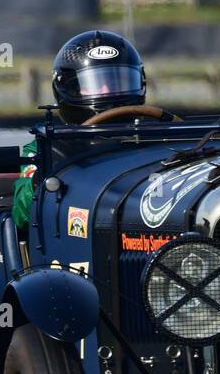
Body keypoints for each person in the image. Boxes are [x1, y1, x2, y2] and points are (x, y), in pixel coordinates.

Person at [12, 31, 151, 232]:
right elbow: (22, 215)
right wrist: (41, 179)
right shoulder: (48, 148)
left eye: (116, 82)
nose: (105, 91)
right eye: (94, 83)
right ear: (68, 88)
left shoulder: (157, 138)